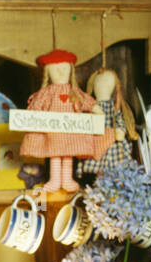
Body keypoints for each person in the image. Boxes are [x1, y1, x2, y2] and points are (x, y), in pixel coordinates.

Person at [20, 48, 99, 193]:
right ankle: (55, 180)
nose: (60, 72)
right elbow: (36, 105)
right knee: (54, 154)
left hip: (71, 132)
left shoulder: (74, 91)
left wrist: (96, 108)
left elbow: (85, 101)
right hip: (52, 132)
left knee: (68, 154)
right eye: (55, 69)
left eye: (64, 68)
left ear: (70, 71)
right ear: (48, 72)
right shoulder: (46, 92)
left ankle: (67, 179)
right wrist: (29, 116)